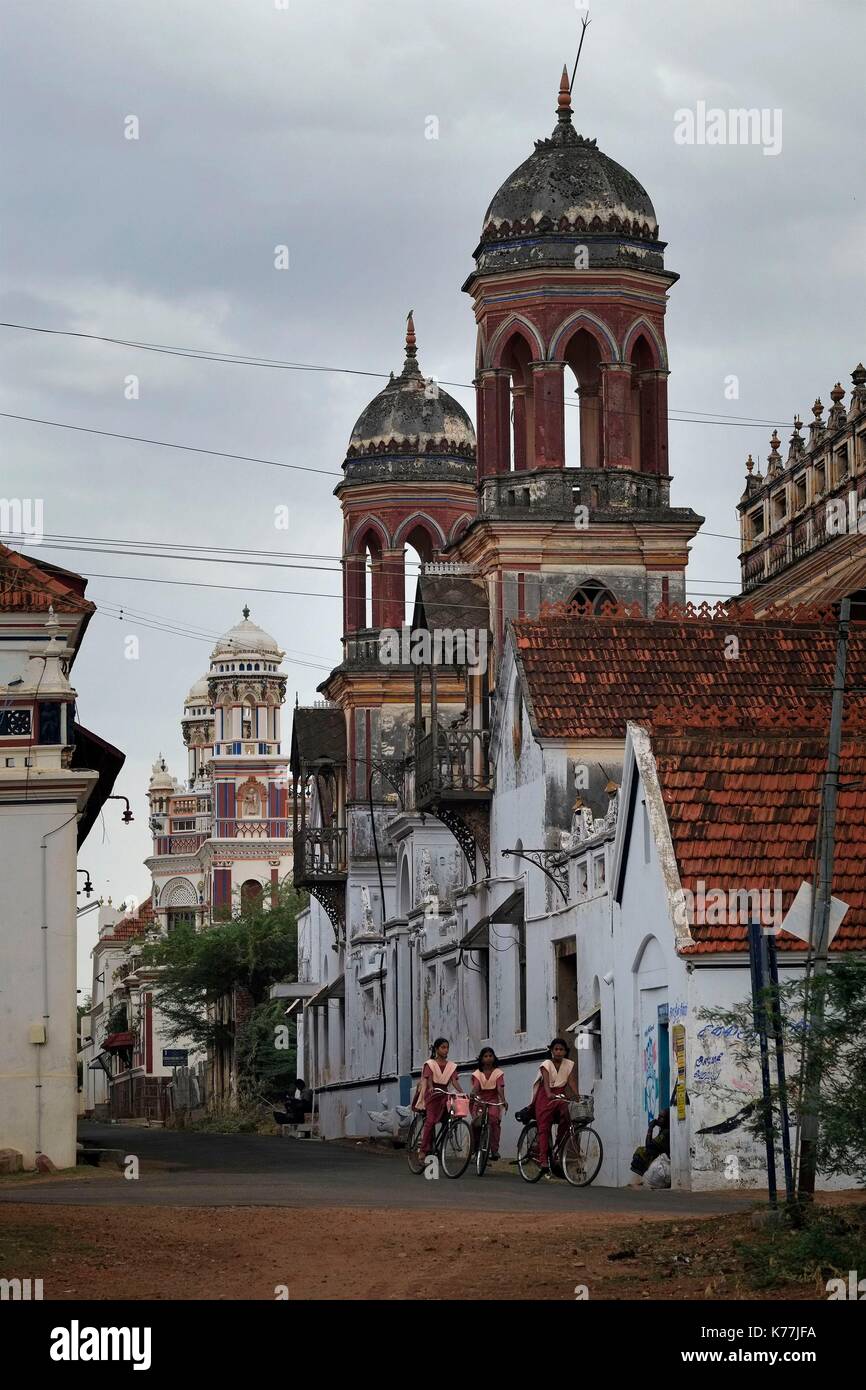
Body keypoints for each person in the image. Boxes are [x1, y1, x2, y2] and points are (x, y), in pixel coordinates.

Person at [533, 1038, 579, 1175]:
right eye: (556, 1049)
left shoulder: (568, 1064)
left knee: (568, 1114)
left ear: (565, 1051)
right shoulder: (546, 1064)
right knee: (544, 1127)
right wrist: (549, 1093)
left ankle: (559, 1144)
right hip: (545, 1097)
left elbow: (571, 1081)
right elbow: (546, 1082)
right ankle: (543, 1160)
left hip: (560, 1095)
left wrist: (577, 1095)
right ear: (552, 1051)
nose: (559, 1052)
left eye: (561, 1049)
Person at [415, 1038, 463, 1161]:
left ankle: (440, 1145)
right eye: (443, 1047)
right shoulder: (430, 1064)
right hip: (432, 1094)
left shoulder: (451, 1066)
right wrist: (431, 1087)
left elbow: (454, 1081)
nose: (446, 1050)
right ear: (437, 1049)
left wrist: (461, 1092)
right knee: (430, 1121)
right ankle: (423, 1150)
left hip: (444, 1094)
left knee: (451, 1117)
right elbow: (429, 1077)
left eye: (447, 1047)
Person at [470, 1047, 506, 1160]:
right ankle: (475, 1149)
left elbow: (500, 1088)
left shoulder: (498, 1073)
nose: (488, 1058)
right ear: (481, 1059)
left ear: (494, 1058)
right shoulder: (477, 1073)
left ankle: (494, 1150)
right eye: (485, 1056)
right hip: (480, 1101)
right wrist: (473, 1093)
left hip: (493, 1101)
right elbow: (476, 1087)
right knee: (476, 1124)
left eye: (490, 1056)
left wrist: (503, 1099)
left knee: (494, 1122)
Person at [629, 1108, 670, 1185]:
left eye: (661, 1117)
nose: (658, 1119)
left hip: (665, 1164)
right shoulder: (664, 1130)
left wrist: (650, 1128)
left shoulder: (666, 1132)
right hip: (661, 1159)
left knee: (643, 1152)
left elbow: (648, 1146)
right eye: (658, 1116)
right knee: (641, 1150)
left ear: (667, 1120)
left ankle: (645, 1178)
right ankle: (641, 1177)